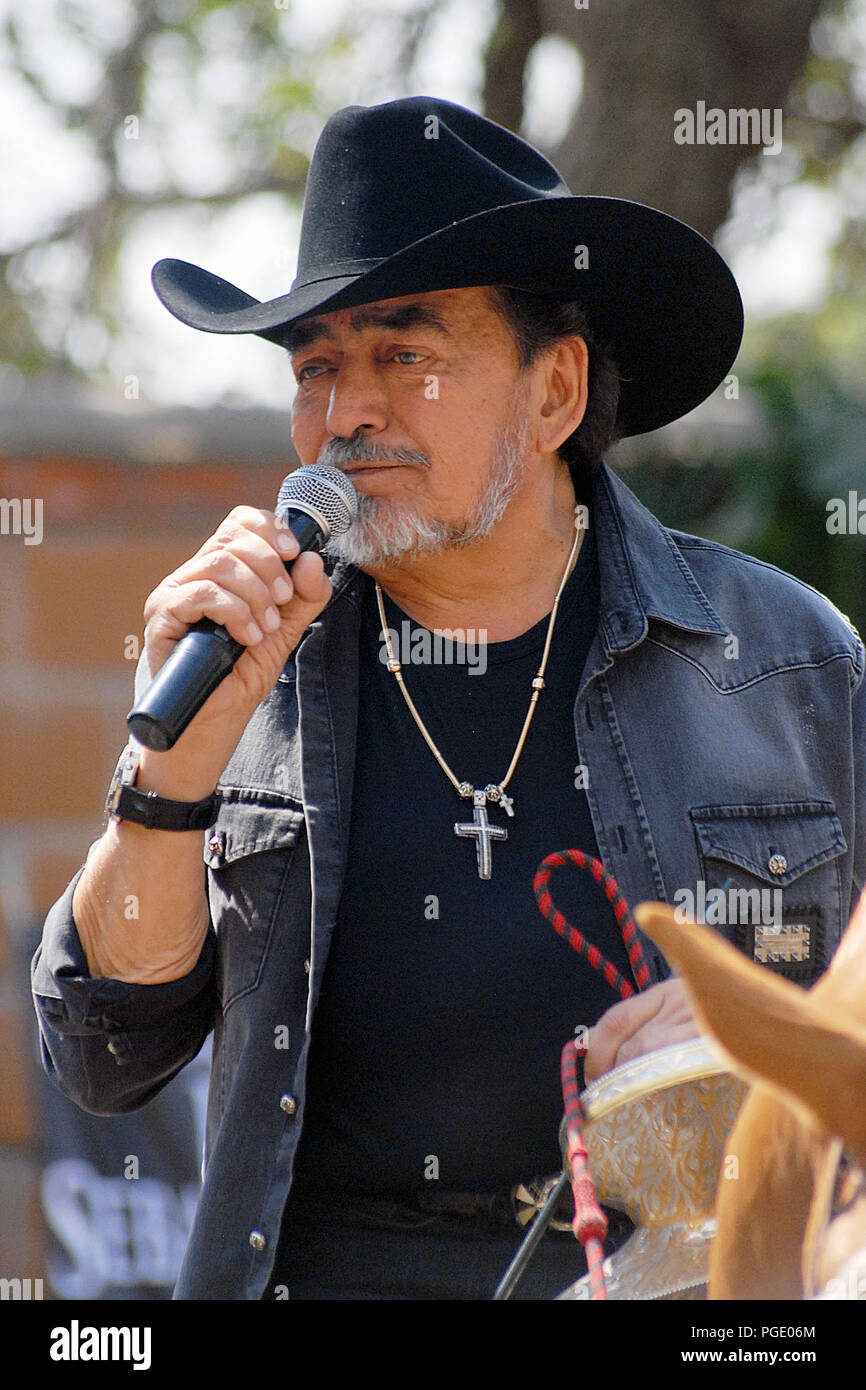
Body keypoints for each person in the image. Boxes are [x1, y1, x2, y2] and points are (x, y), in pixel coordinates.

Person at [33, 96, 866, 1300]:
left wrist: (766, 1033)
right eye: (317, 366)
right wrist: (165, 789)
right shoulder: (244, 661)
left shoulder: (781, 661)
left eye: (404, 355)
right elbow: (101, 1055)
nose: (345, 410)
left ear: (554, 394)